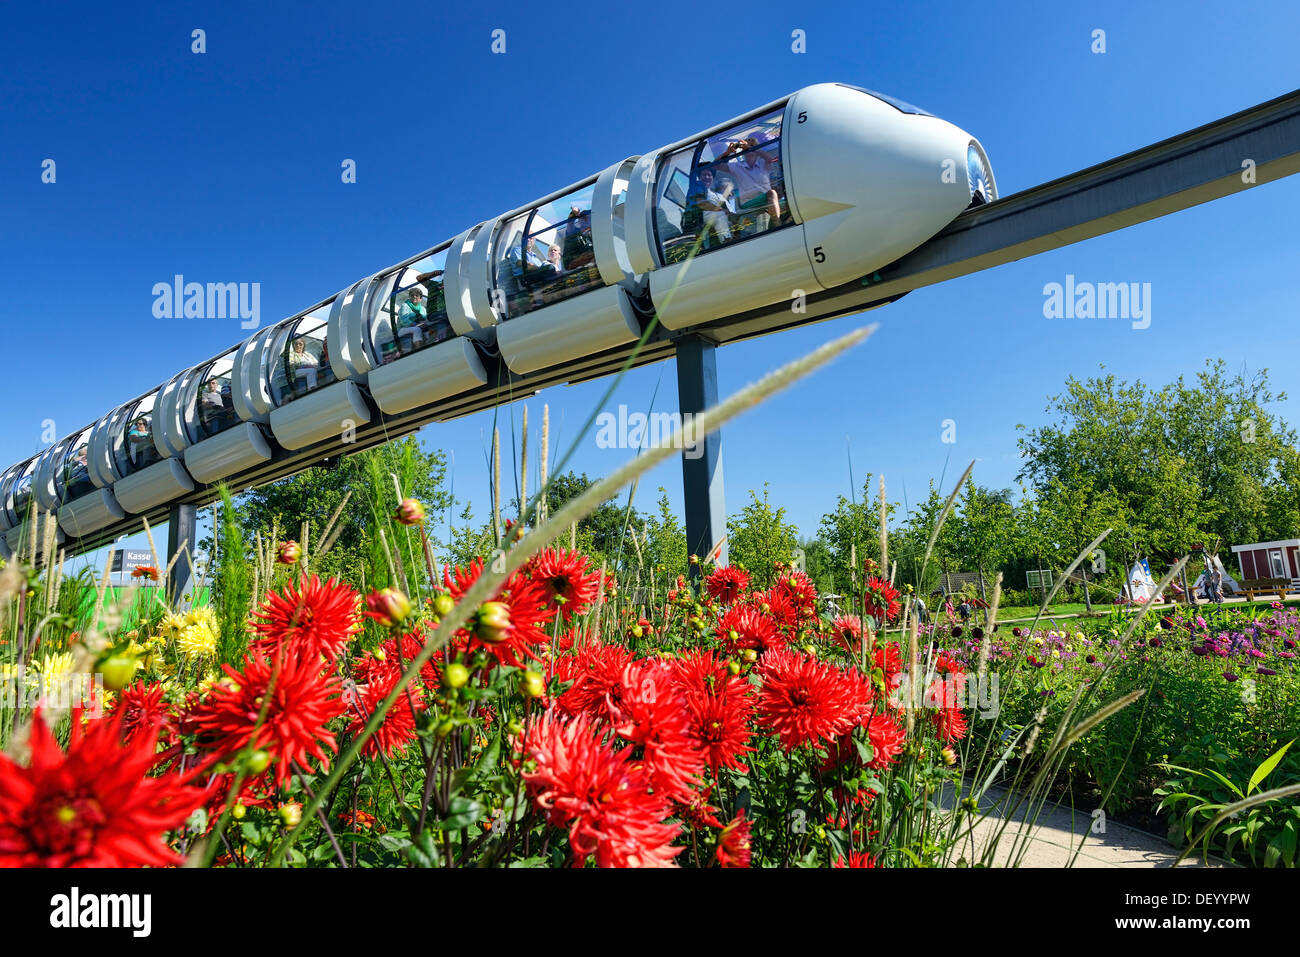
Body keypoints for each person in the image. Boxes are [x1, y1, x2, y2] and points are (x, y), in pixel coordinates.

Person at [721, 135, 781, 233]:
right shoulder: (737, 166)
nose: (748, 148)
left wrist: (750, 148)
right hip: (748, 202)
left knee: (775, 192)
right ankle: (778, 225)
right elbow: (716, 166)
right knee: (772, 193)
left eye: (752, 145)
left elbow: (772, 160)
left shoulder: (762, 163)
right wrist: (727, 153)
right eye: (746, 145)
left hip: (765, 199)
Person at [689, 165, 735, 247]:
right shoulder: (698, 188)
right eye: (704, 175)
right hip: (707, 216)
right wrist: (720, 209)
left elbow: (730, 212)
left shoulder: (719, 195)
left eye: (709, 175)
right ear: (699, 177)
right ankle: (726, 241)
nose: (707, 177)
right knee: (720, 215)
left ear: (712, 177)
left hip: (724, 218)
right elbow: (701, 203)